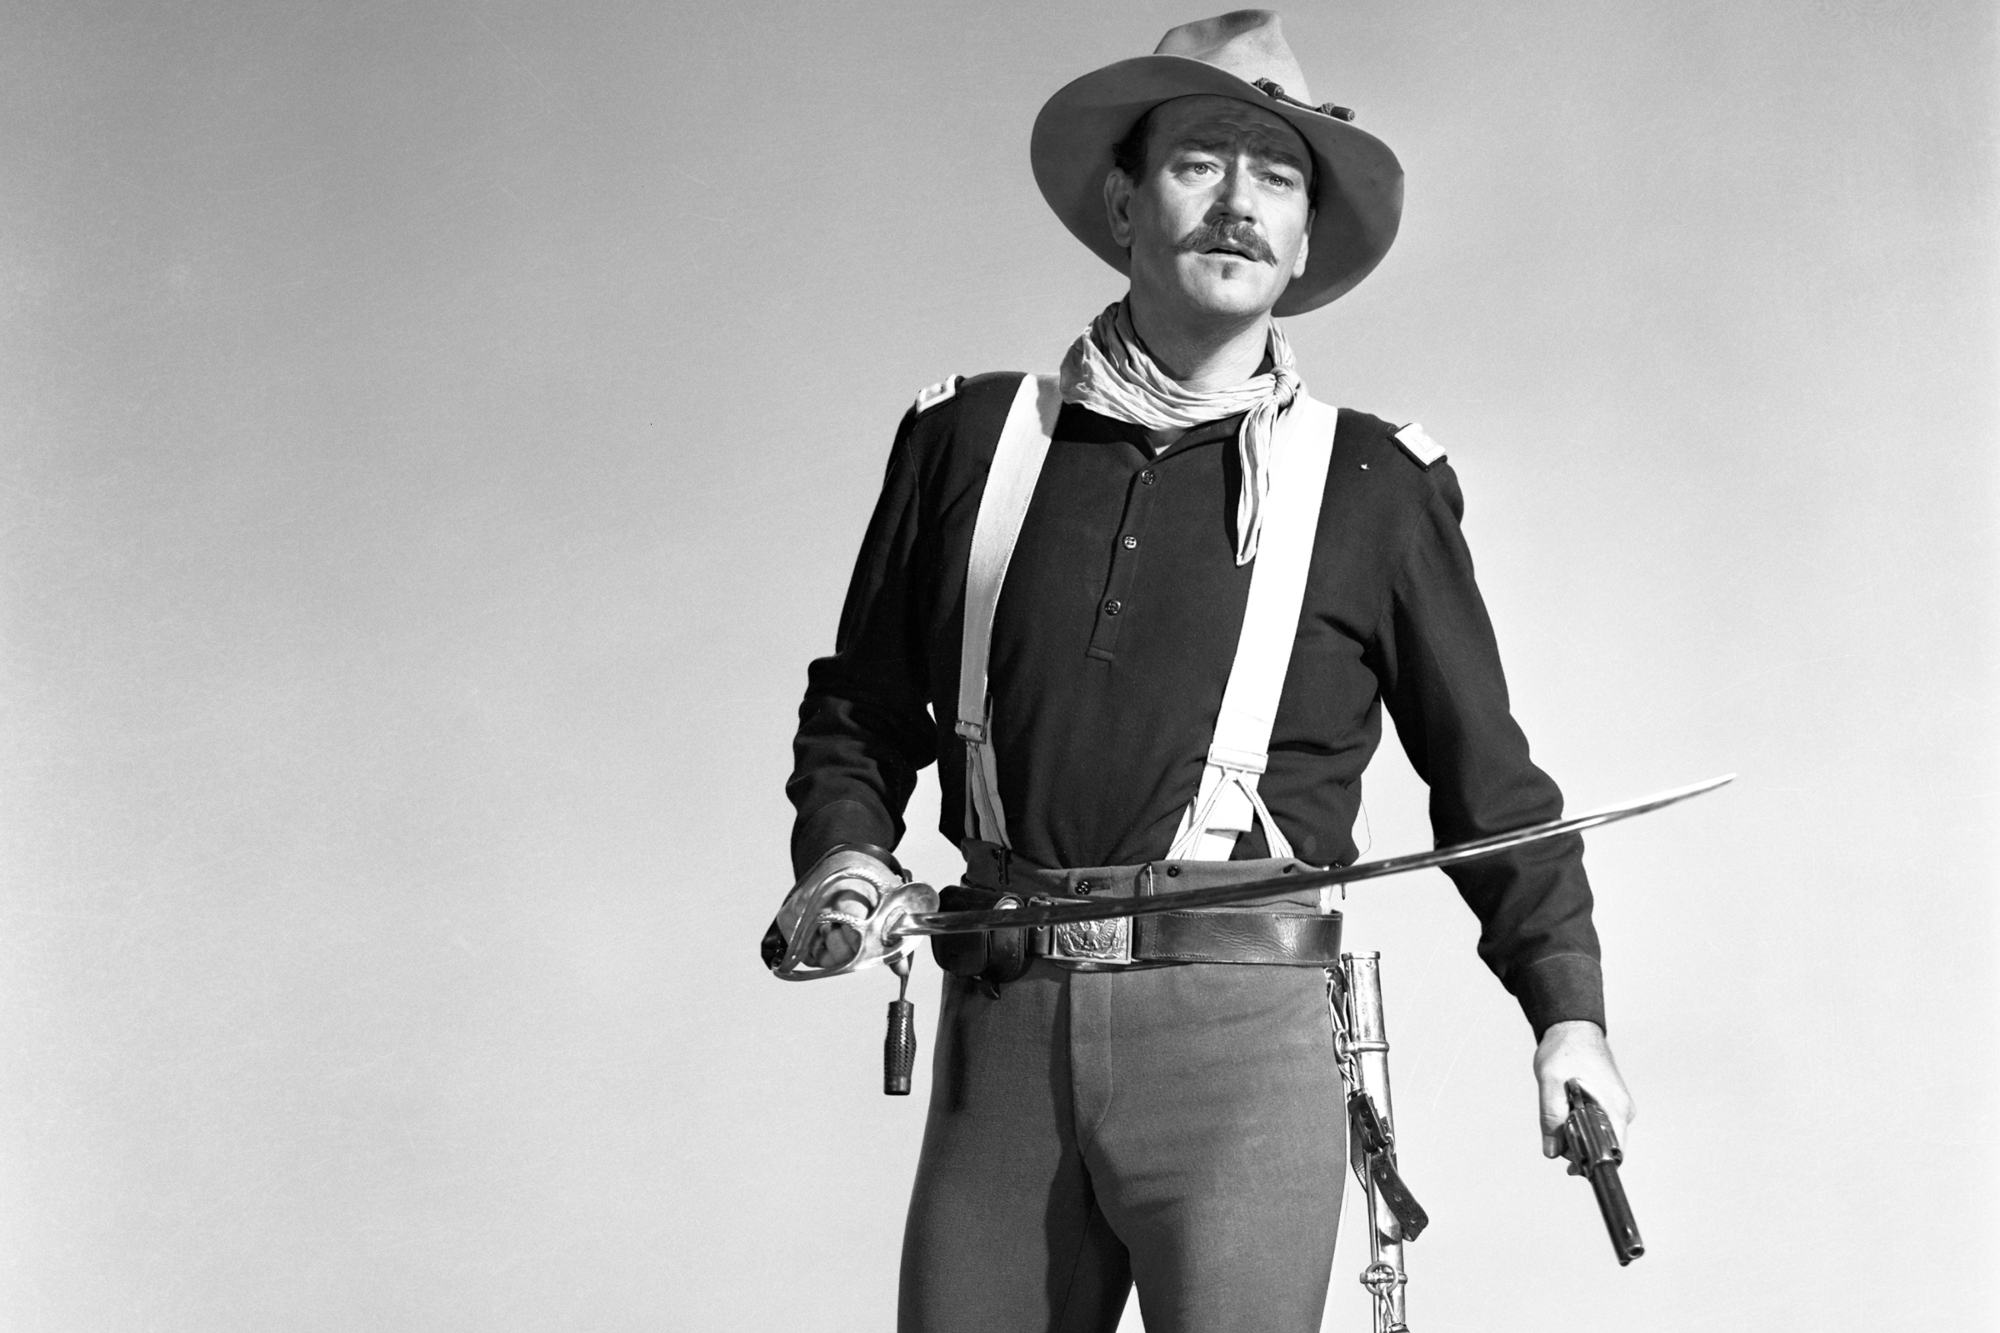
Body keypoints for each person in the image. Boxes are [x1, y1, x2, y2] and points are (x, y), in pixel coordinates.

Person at [771, 11, 1635, 1331]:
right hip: (1000, 1035)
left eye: (1277, 176)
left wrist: (1567, 1012)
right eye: (1200, 163)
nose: (1240, 203)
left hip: (1244, 1055)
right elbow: (862, 713)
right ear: (1124, 202)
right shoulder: (966, 442)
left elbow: (1494, 789)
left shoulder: (1376, 488)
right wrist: (843, 855)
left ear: (1303, 240)